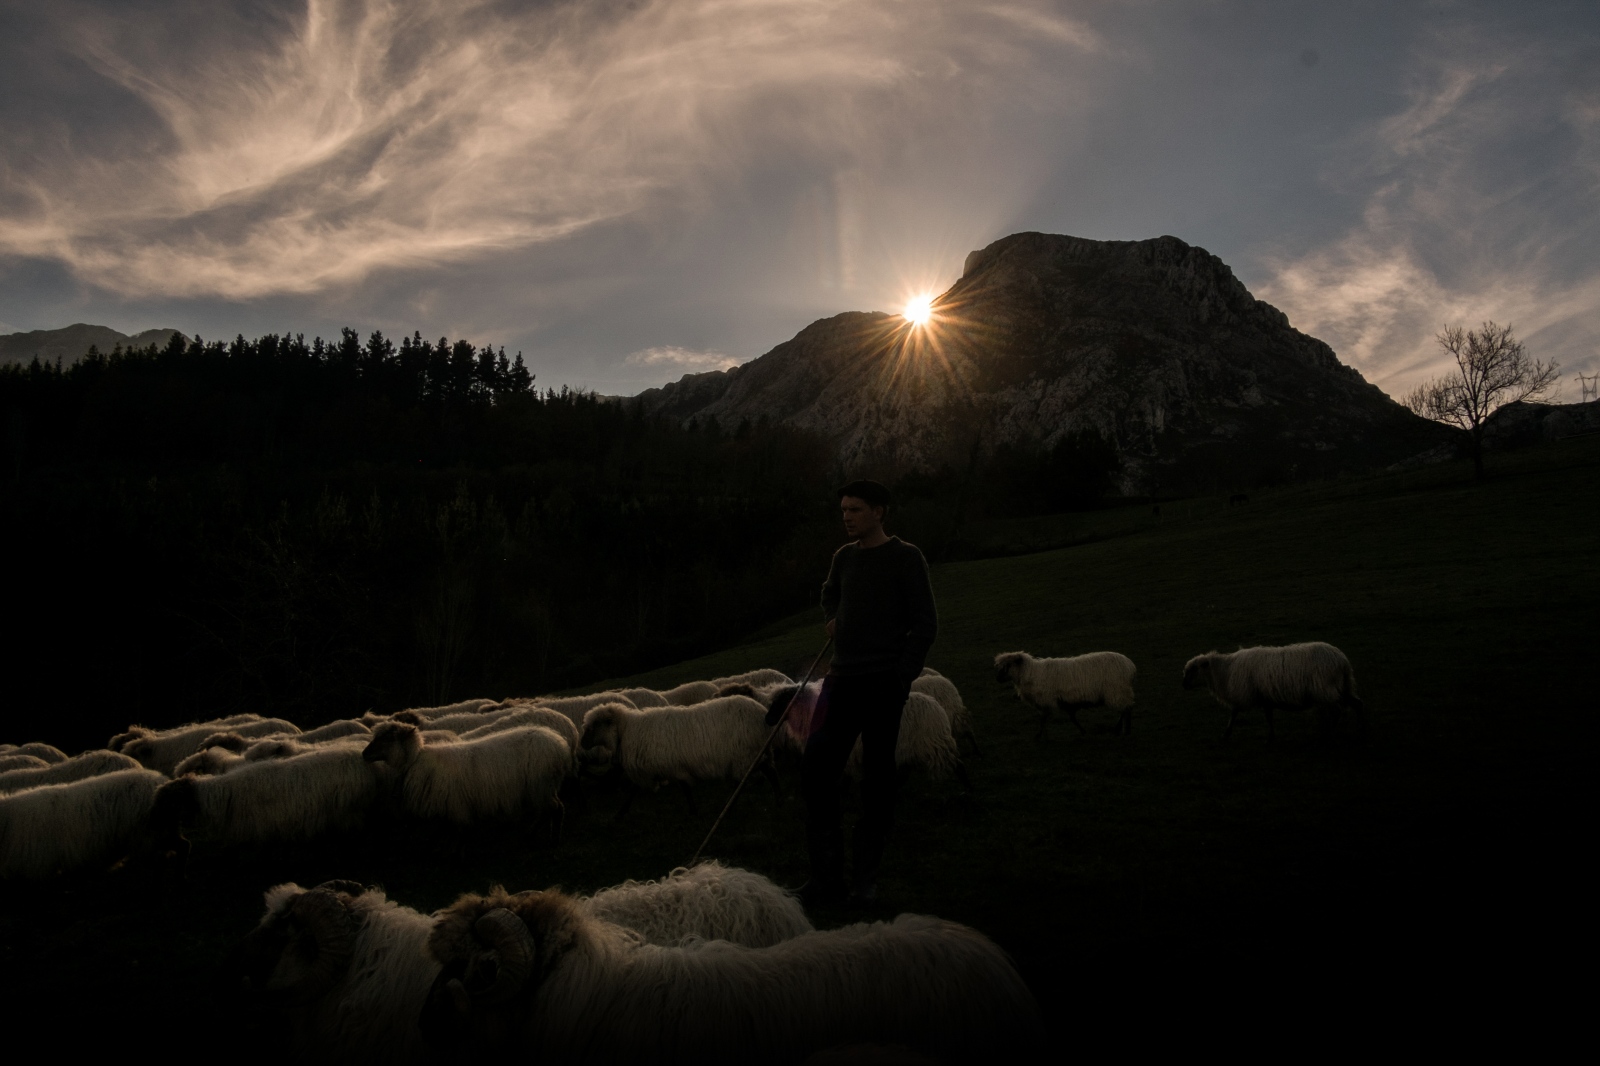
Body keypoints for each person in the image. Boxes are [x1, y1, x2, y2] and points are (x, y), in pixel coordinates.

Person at [795, 479, 937, 904]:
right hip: (840, 681)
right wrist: (832, 617)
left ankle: (864, 881)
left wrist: (901, 677)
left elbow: (925, 623)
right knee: (816, 770)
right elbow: (829, 594)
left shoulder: (906, 558)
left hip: (882, 684)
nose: (847, 517)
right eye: (843, 510)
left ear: (879, 512)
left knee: (877, 780)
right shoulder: (843, 559)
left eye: (855, 510)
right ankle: (826, 879)